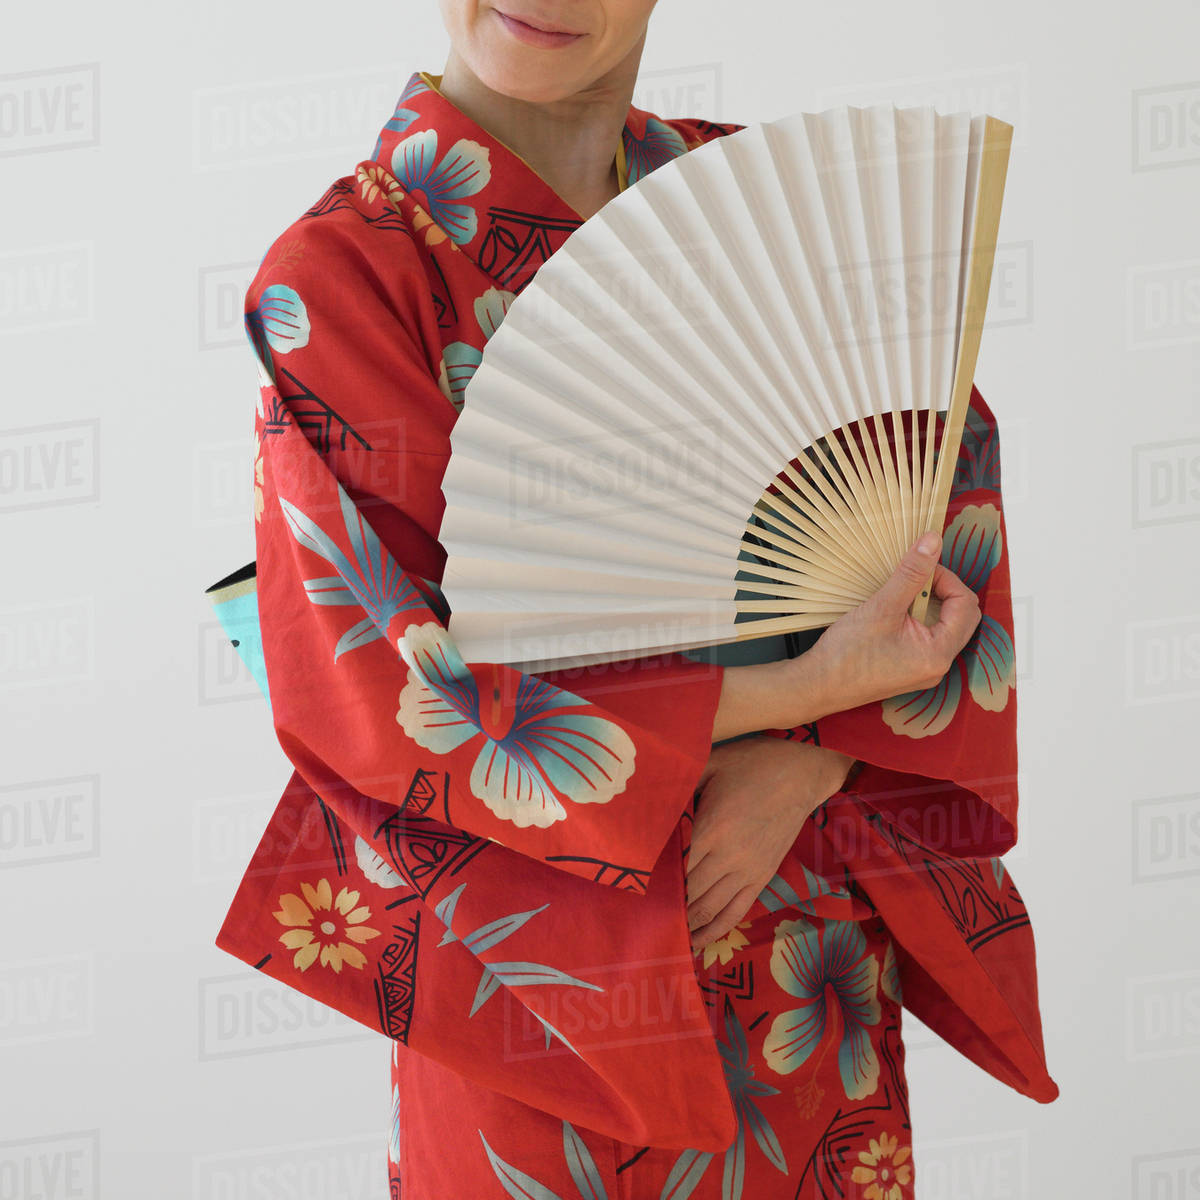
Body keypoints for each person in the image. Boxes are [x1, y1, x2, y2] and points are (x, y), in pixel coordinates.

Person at [212, 2, 1060, 1194]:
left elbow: (936, 499)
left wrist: (816, 755)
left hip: (803, 924)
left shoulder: (765, 203)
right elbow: (388, 697)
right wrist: (813, 692)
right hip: (544, 989)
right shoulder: (345, 275)